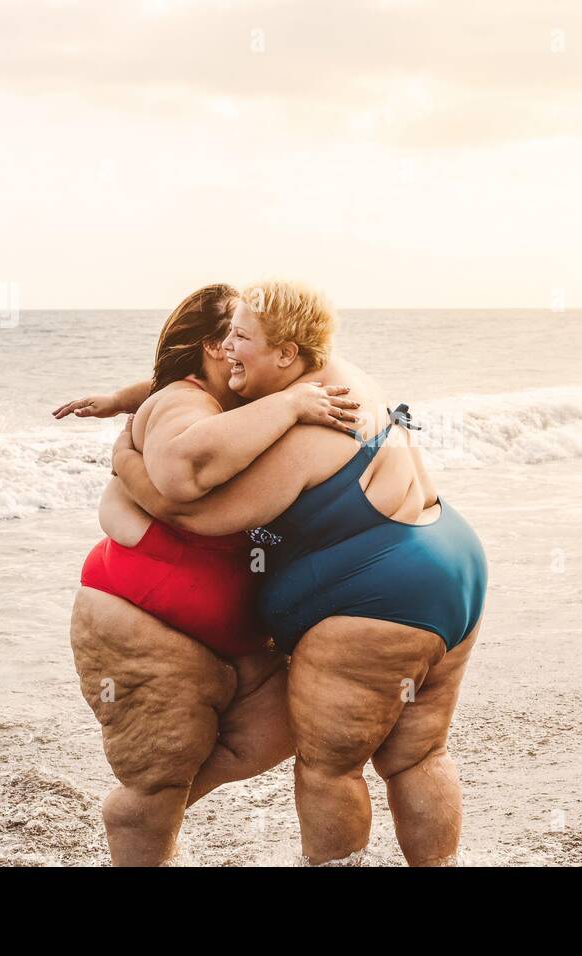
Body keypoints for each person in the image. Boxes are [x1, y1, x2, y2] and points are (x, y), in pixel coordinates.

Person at [112, 280, 487, 865]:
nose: (226, 349)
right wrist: (131, 397)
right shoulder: (336, 375)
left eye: (240, 337)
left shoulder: (311, 427)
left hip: (378, 600)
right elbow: (230, 399)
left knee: (330, 769)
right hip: (450, 564)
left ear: (286, 354)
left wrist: (124, 462)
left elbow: (196, 510)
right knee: (417, 754)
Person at [57, 283, 360, 865]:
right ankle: (143, 812)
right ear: (213, 348)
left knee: (289, 725)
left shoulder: (235, 403)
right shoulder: (186, 402)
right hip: (141, 622)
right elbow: (179, 466)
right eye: (235, 333)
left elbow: (149, 389)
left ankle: (153, 807)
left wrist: (116, 402)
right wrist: (293, 405)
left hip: (226, 633)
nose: (243, 340)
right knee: (161, 768)